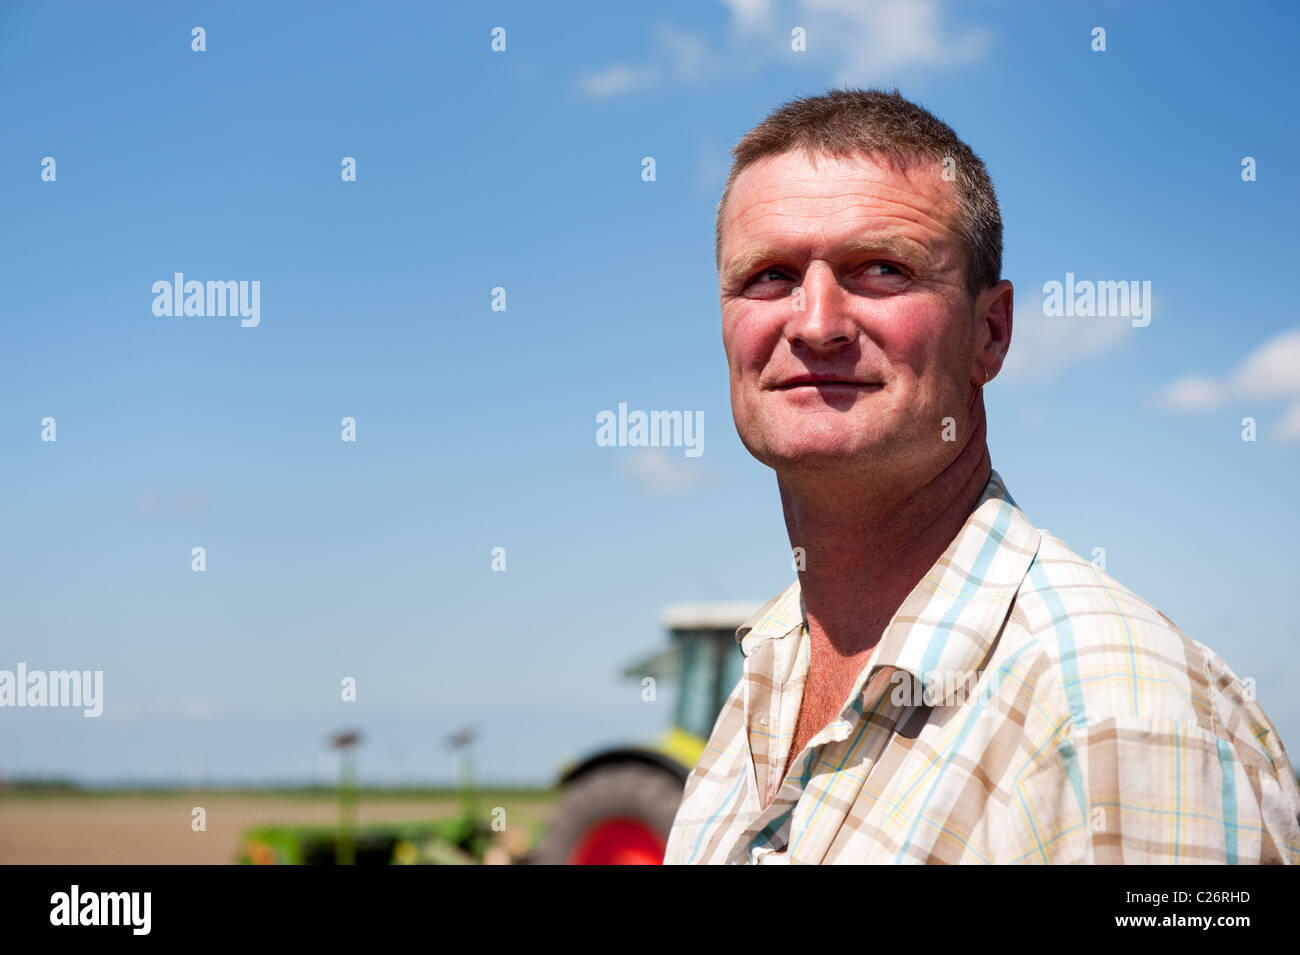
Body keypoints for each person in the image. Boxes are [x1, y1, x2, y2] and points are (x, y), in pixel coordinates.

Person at [663, 87, 1300, 864]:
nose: (816, 322)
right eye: (768, 275)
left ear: (989, 333)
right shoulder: (759, 691)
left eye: (881, 269)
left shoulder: (1114, 715)